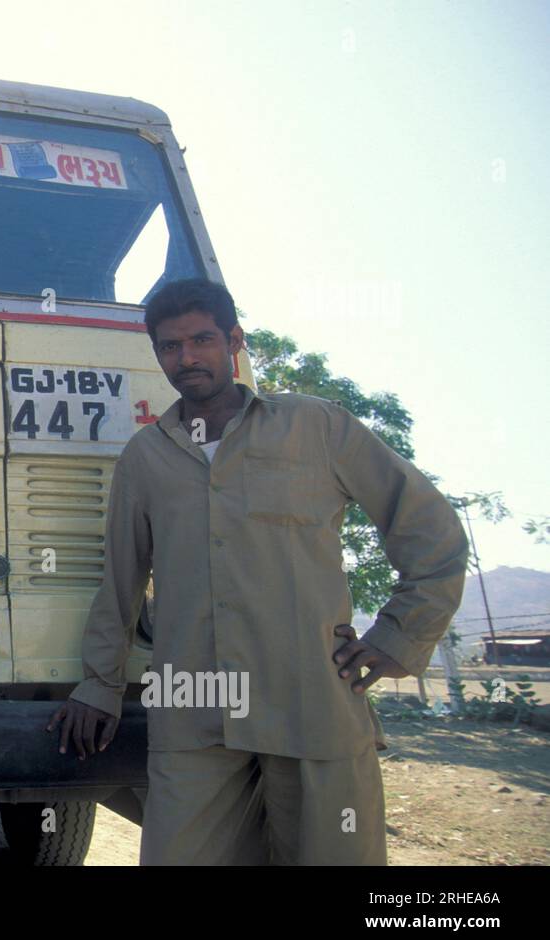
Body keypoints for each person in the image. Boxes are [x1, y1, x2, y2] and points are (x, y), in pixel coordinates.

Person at [47, 277, 468, 865]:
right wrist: (100, 685)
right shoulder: (145, 459)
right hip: (195, 723)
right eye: (171, 347)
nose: (187, 358)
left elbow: (430, 528)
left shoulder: (316, 427)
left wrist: (403, 633)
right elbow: (120, 585)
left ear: (234, 342)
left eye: (202, 340)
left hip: (312, 708)